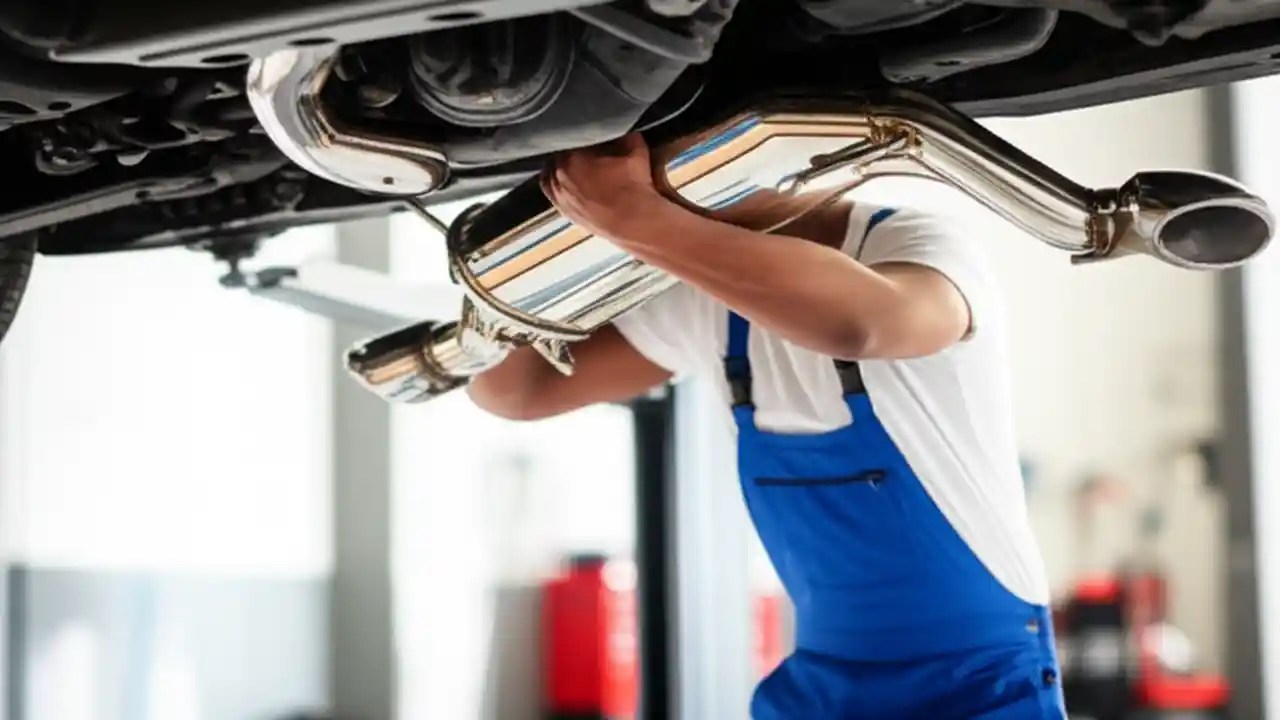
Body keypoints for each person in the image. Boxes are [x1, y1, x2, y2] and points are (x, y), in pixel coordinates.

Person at [468, 133, 1066, 719]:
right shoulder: (705, 296)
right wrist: (566, 231)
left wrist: (636, 220)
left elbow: (866, 324)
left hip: (972, 683)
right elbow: (514, 389)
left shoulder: (915, 244)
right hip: (822, 687)